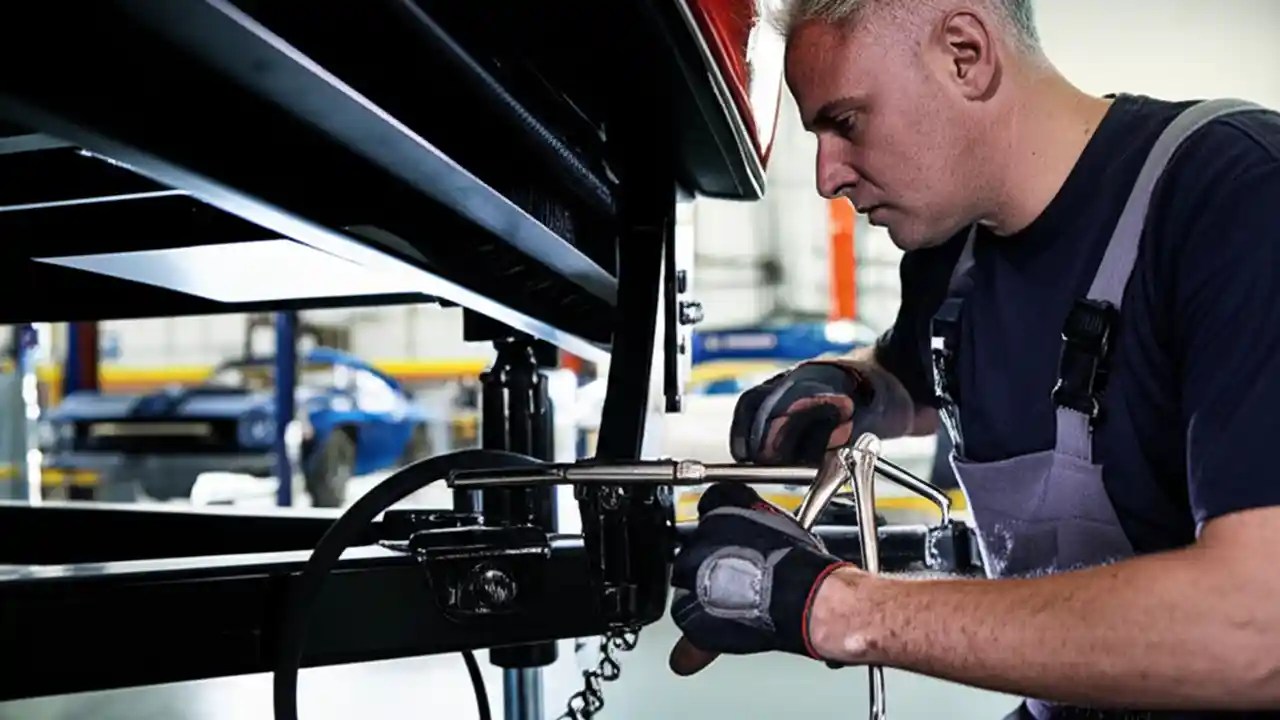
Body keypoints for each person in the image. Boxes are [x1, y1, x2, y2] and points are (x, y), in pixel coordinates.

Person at [667, 0, 1280, 717]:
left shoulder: (1238, 200)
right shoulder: (950, 251)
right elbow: (918, 384)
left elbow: (1258, 627)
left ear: (965, 54)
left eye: (847, 123)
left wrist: (832, 606)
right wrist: (857, 388)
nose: (827, 178)